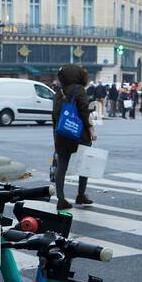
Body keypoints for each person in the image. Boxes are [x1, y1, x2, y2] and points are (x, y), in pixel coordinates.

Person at [51, 63, 95, 210]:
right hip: (79, 134)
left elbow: (55, 116)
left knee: (62, 165)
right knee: (84, 165)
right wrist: (91, 130)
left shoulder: (59, 92)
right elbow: (84, 112)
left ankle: (61, 199)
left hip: (61, 133)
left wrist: (56, 137)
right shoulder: (79, 89)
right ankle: (81, 195)